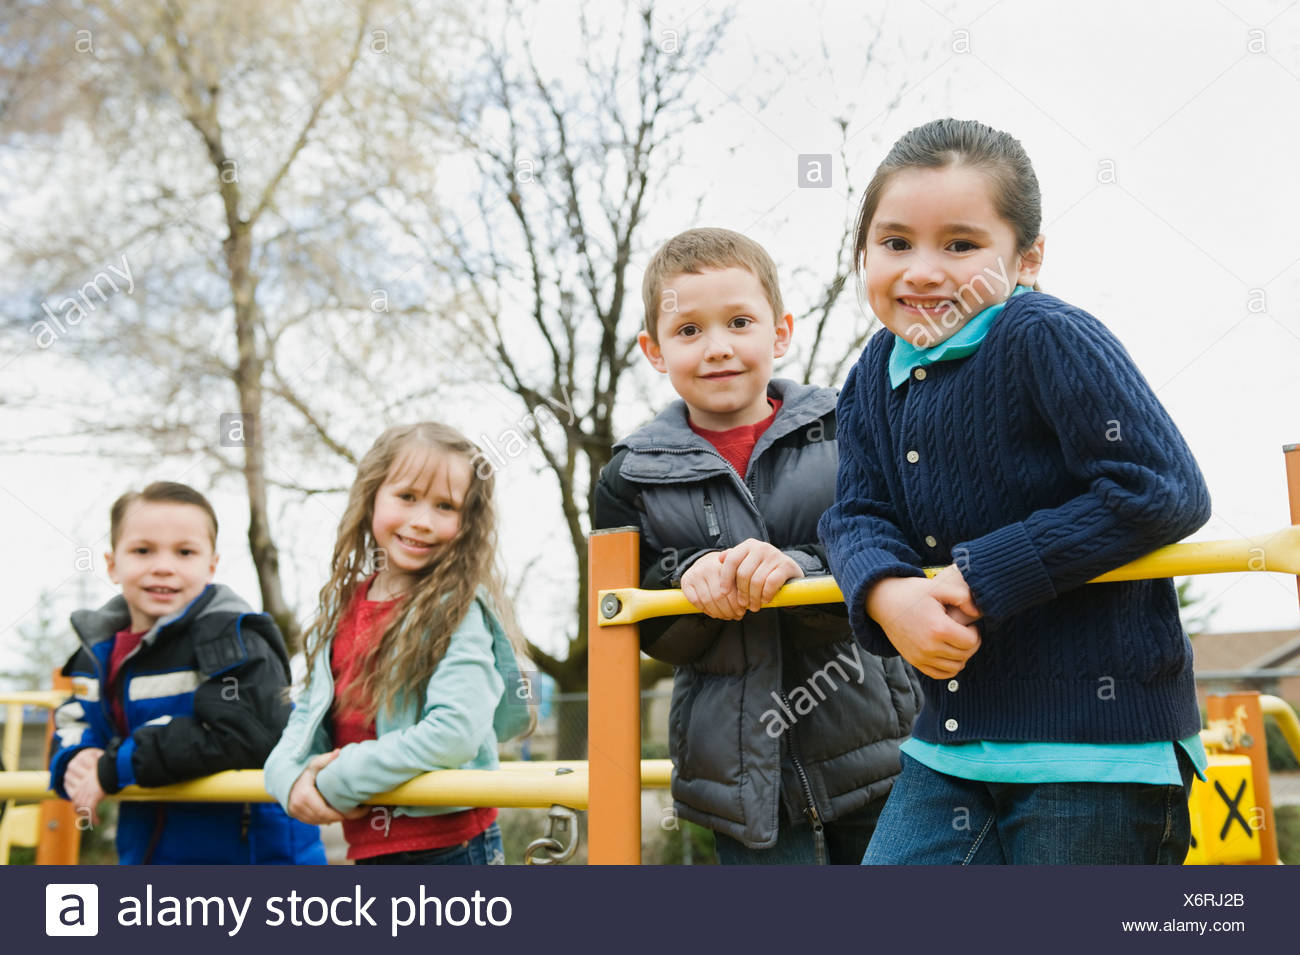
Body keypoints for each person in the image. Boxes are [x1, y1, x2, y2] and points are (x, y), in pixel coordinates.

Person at [819, 118, 1213, 865]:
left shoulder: (1044, 334)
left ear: (1026, 257)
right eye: (895, 243)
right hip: (951, 750)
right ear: (863, 252)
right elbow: (856, 510)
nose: (923, 270)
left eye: (960, 245)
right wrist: (885, 592)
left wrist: (984, 573)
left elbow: (1162, 488)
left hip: (1095, 753)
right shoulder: (876, 369)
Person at [594, 227, 920, 864]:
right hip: (736, 772)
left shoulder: (851, 427)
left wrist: (797, 569)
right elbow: (639, 621)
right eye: (689, 331)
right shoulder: (628, 475)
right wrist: (692, 582)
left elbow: (896, 544)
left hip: (879, 744)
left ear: (780, 332)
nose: (717, 348)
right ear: (654, 350)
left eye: (739, 322)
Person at [264, 422, 532, 865]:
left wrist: (335, 778)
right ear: (372, 494)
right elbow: (308, 715)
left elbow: (454, 733)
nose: (422, 521)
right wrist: (288, 778)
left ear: (467, 523)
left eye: (445, 506)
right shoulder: (344, 607)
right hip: (371, 846)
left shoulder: (457, 608)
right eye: (407, 497)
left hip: (451, 848)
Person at [49, 481, 324, 864]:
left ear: (211, 565)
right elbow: (72, 719)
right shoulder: (95, 654)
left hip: (255, 858)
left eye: (185, 552)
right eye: (143, 550)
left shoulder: (233, 636)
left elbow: (250, 732)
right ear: (113, 564)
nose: (164, 566)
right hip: (149, 855)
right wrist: (76, 758)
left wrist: (115, 765)